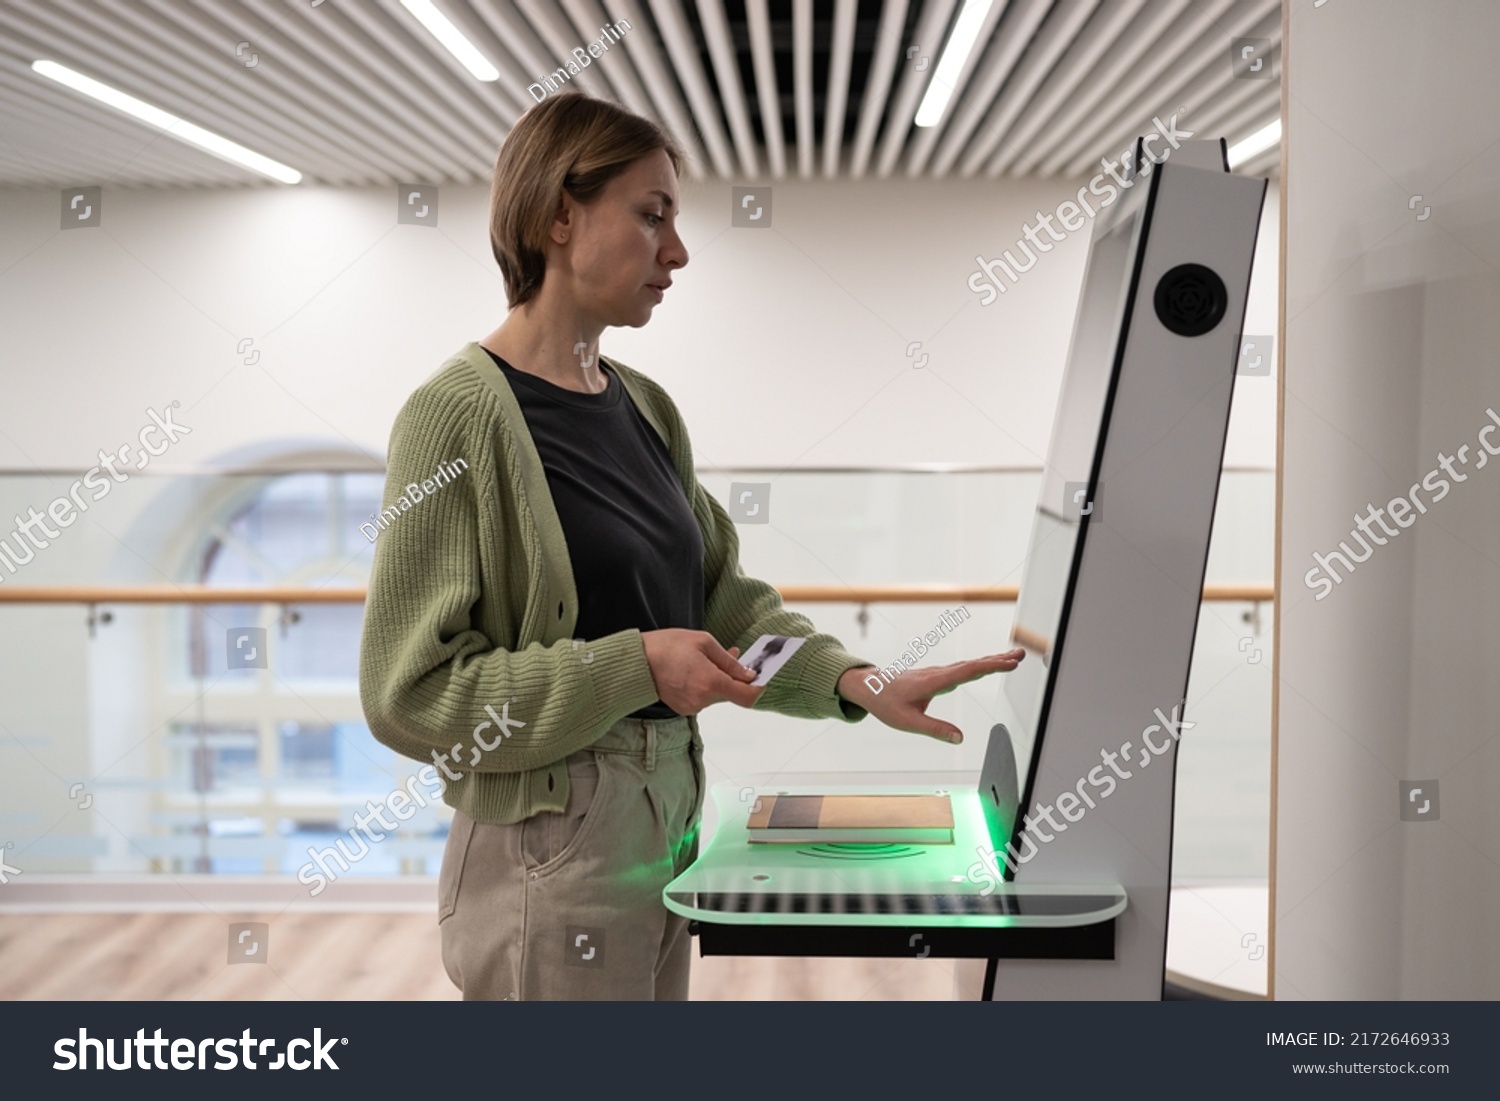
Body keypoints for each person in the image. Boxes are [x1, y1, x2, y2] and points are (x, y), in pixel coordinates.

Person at [358, 91, 1025, 1001]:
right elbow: (411, 696)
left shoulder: (643, 406)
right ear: (559, 214)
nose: (675, 251)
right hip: (549, 847)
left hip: (666, 816)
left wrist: (854, 680)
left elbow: (725, 606)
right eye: (652, 215)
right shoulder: (454, 418)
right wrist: (635, 664)